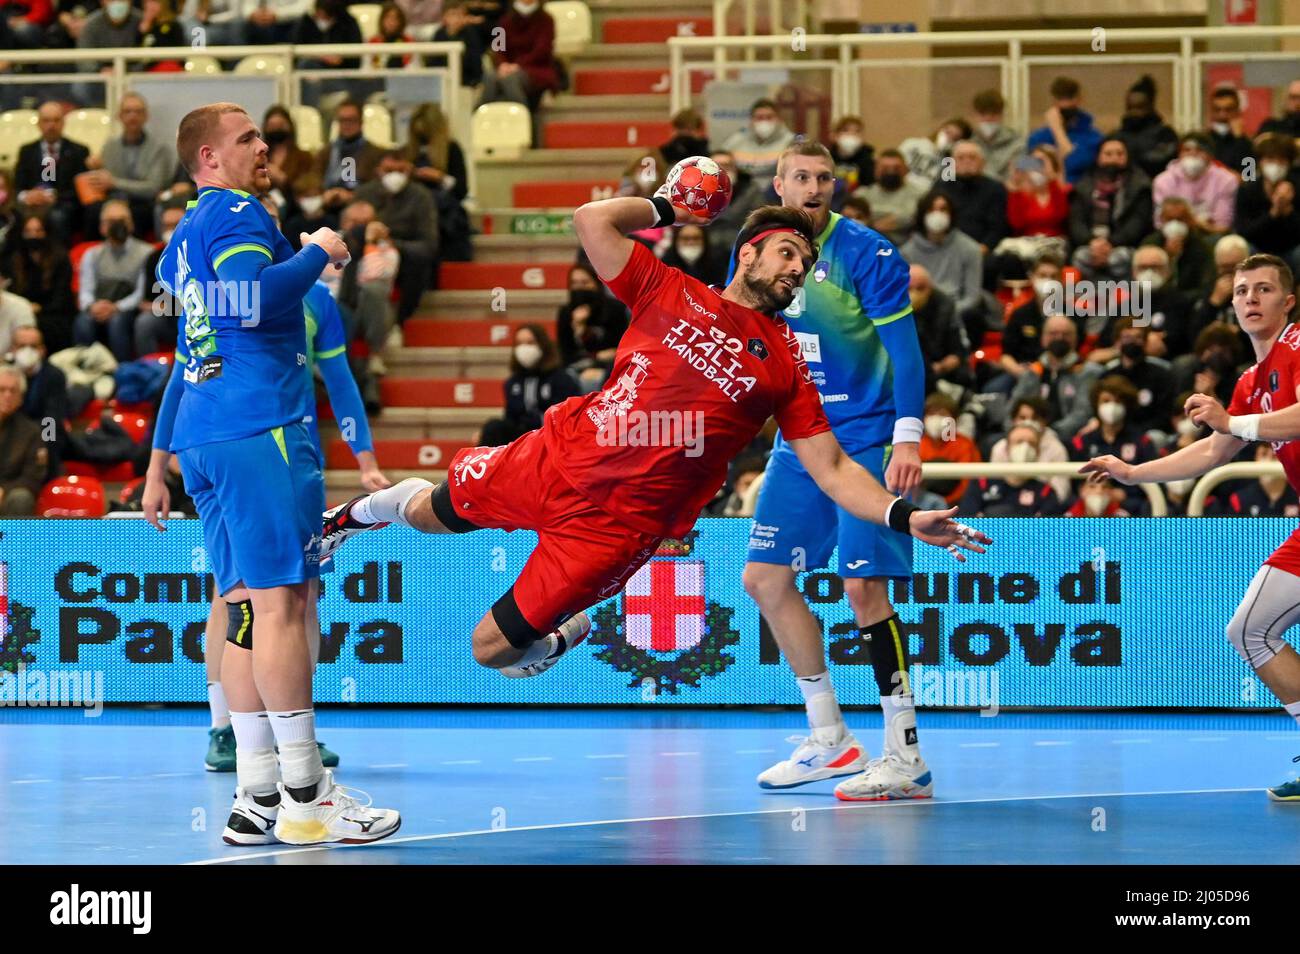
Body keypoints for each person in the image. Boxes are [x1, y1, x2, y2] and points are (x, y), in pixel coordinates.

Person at [318, 195, 987, 764]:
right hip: (556, 457)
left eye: (806, 263)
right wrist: (670, 206)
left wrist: (903, 514)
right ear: (747, 254)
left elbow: (835, 470)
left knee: (489, 650)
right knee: (432, 511)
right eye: (787, 253)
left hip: (616, 530)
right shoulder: (669, 289)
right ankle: (345, 521)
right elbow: (590, 220)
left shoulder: (784, 366)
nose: (798, 268)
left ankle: (563, 635)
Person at [142, 101, 399, 845]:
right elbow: (256, 303)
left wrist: (163, 458)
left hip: (207, 438)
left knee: (249, 609)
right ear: (208, 161)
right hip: (262, 429)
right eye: (246, 137)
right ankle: (307, 795)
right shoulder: (236, 214)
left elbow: (193, 357)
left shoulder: (181, 242)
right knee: (285, 606)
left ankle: (255, 794)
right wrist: (318, 249)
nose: (264, 145)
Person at [733, 143, 930, 800]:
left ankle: (904, 756)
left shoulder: (866, 254)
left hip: (868, 437)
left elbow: (906, 353)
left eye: (824, 178)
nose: (814, 188)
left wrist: (908, 437)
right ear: (780, 185)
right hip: (801, 438)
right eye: (801, 178)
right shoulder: (761, 255)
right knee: (764, 578)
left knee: (863, 592)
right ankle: (831, 738)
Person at [1081, 253, 1300, 800]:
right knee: (1248, 630)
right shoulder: (1252, 379)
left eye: (1264, 289)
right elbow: (1215, 450)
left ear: (1288, 301)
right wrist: (1134, 473)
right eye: (1242, 290)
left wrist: (1235, 420)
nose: (1251, 298)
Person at [205, 196, 390, 773]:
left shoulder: (314, 302)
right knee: (234, 593)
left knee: (303, 591)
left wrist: (365, 459)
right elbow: (191, 371)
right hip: (244, 444)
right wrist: (161, 460)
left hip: (296, 454)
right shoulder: (222, 297)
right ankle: (224, 730)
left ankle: (294, 729)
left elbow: (340, 380)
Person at [354, 151, 438, 323]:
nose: (395, 175)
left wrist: (395, 245)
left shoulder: (421, 196)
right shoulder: (364, 193)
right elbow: (349, 231)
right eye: (389, 170)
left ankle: (401, 321)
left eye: (401, 170)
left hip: (404, 252)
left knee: (419, 262)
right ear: (378, 171)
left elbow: (429, 244)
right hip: (369, 249)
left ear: (410, 171)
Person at [83, 93, 175, 239]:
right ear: (119, 116)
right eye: (127, 112)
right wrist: (94, 169)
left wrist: (114, 183)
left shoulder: (159, 148)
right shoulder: (110, 146)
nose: (133, 116)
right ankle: (92, 255)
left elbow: (153, 187)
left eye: (138, 112)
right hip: (113, 200)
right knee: (92, 210)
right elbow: (105, 180)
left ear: (146, 116)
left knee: (135, 214)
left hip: (142, 203)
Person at [73, 200, 154, 362]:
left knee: (117, 322)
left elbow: (140, 293)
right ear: (102, 227)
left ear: (131, 225)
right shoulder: (92, 254)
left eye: (122, 220)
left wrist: (116, 307)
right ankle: (85, 368)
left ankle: (122, 371)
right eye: (111, 221)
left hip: (129, 309)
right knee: (83, 321)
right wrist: (92, 306)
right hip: (99, 305)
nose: (117, 225)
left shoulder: (146, 253)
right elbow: (86, 291)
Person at [1069, 373, 1161, 512]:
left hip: (1130, 510)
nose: (1111, 406)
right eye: (1105, 401)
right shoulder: (1082, 442)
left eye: (1118, 401)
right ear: (1096, 405)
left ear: (1126, 405)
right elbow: (1073, 485)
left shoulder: (1142, 442)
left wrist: (1124, 495)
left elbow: (1153, 484)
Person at [1067, 136, 1153, 282]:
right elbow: (1076, 222)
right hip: (1089, 244)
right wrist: (1092, 242)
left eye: (1120, 154)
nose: (1114, 158)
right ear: (1098, 158)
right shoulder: (1083, 185)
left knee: (1118, 259)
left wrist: (1110, 243)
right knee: (1081, 257)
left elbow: (1137, 223)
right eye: (1108, 154)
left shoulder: (1140, 185)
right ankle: (1087, 301)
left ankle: (1122, 301)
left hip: (1124, 245)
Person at [900, 191, 985, 337]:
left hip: (957, 309)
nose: (937, 215)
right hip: (921, 310)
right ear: (922, 214)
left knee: (974, 316)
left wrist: (947, 312)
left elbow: (972, 297)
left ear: (951, 214)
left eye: (943, 209)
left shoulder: (971, 249)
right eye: (931, 210)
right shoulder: (906, 252)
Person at [478, 324, 579, 446]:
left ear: (542, 345)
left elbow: (568, 418)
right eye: (520, 343)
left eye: (530, 343)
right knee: (493, 428)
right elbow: (510, 419)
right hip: (523, 439)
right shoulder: (512, 383)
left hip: (552, 437)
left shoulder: (561, 379)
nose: (524, 348)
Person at [1011, 314, 1102, 442]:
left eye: (1066, 334)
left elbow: (1082, 414)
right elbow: (1013, 408)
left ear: (1075, 339)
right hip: (1030, 434)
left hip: (1069, 436)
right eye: (1053, 334)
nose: (1059, 338)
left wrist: (1050, 433)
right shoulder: (1032, 373)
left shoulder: (1087, 372)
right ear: (1043, 338)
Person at [403, 102, 471, 262]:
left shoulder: (452, 149)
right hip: (413, 206)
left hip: (442, 207)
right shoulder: (407, 152)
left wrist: (440, 178)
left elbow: (461, 190)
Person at [14, 102, 90, 242]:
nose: (51, 125)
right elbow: (18, 186)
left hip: (63, 204)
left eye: (56, 120)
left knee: (57, 216)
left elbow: (79, 190)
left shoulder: (79, 151)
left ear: (63, 123)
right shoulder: (26, 151)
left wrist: (53, 196)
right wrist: (27, 195)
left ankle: (58, 260)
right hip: (31, 204)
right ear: (39, 124)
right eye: (46, 121)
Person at [1, 213, 76, 354]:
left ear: (46, 232)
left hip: (54, 313)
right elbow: (10, 293)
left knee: (45, 327)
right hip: (21, 310)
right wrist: (24, 306)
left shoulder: (60, 259)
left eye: (38, 231)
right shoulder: (13, 259)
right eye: (28, 232)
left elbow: (62, 297)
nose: (33, 236)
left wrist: (39, 308)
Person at [1090, 318, 1176, 435]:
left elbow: (1164, 417)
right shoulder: (1107, 376)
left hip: (1146, 434)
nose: (1132, 342)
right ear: (1117, 342)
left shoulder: (1161, 375)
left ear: (1145, 342)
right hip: (1114, 433)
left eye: (1138, 338)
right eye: (1127, 337)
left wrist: (1135, 434)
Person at [960, 421, 1064, 516]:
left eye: (1032, 444)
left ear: (1038, 452)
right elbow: (965, 524)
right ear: (1007, 449)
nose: (1025, 448)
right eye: (1019, 442)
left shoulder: (1045, 493)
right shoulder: (981, 485)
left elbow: (1047, 532)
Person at [555, 262, 627, 390]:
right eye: (574, 283)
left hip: (611, 366)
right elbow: (565, 352)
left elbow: (620, 348)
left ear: (596, 284)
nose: (579, 288)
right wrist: (578, 328)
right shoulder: (566, 313)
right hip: (576, 366)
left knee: (590, 382)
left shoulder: (615, 309)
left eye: (585, 283)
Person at [1233, 134, 1300, 269]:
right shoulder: (1248, 189)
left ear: (1289, 164)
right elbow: (1244, 231)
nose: (1276, 165)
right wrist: (1273, 213)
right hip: (1257, 247)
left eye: (1281, 160)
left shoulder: (1298, 187)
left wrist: (1287, 210)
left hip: (1291, 249)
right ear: (1261, 162)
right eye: (1270, 159)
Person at [1151, 132, 1238, 235]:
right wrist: (1199, 222)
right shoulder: (1163, 181)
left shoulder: (1226, 180)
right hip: (1172, 234)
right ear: (1179, 154)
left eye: (1199, 150)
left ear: (1210, 156)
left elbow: (1222, 226)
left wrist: (1188, 221)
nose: (1193, 155)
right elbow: (1160, 223)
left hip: (1211, 236)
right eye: (1187, 150)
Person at [987, 396, 1072, 500]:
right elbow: (993, 487)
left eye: (1035, 418)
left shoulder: (1057, 450)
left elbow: (1060, 493)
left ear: (1044, 422)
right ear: (1014, 420)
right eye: (1022, 418)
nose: (1028, 423)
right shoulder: (1000, 447)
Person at [932, 139, 1008, 254]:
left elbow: (997, 228)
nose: (967, 161)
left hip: (982, 251)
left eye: (972, 158)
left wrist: (982, 249)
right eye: (961, 158)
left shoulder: (995, 189)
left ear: (983, 163)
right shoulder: (941, 187)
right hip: (943, 248)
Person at [479, 0, 559, 110]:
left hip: (535, 69)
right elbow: (498, 49)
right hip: (507, 68)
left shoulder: (546, 20)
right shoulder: (504, 21)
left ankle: (524, 119)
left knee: (510, 80)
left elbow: (542, 50)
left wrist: (517, 65)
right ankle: (482, 119)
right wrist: (503, 64)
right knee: (490, 77)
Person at [1026, 75, 1104, 184]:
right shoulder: (1037, 138)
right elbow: (1029, 169)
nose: (1065, 104)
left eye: (1069, 98)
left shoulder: (1094, 138)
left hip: (1078, 194)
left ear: (1079, 99)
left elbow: (1074, 164)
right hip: (1047, 194)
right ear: (1054, 101)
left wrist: (1058, 130)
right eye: (1060, 99)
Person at [908, 263, 970, 393]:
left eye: (920, 288)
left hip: (941, 366)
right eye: (908, 289)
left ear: (930, 288)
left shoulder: (945, 307)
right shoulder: (891, 307)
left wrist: (941, 366)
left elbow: (958, 350)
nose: (914, 294)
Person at [315, 100, 385, 213]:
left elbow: (378, 187)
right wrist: (324, 195)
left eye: (351, 120)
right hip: (328, 206)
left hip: (362, 208)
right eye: (342, 120)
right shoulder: (325, 153)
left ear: (361, 122)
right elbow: (314, 179)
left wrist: (353, 196)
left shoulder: (375, 153)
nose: (347, 124)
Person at [1138, 197, 1213, 299]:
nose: (1175, 224)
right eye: (1170, 219)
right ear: (1161, 219)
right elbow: (1142, 282)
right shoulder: (1150, 244)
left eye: (1180, 219)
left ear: (1189, 220)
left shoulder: (1201, 247)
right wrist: (1168, 257)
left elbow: (1205, 286)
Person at [1110, 75, 1179, 181]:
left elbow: (1162, 159)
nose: (1134, 112)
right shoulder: (1116, 135)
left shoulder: (1165, 134)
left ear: (1150, 106)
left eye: (1139, 107)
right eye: (1130, 107)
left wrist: (1132, 159)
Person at [855, 149, 926, 246]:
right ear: (876, 170)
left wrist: (872, 222)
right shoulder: (862, 195)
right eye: (885, 168)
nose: (891, 172)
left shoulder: (920, 195)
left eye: (896, 168)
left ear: (906, 170)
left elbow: (911, 218)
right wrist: (899, 219)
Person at [0, 363, 45, 516]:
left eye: (13, 391)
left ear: (20, 398)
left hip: (8, 498)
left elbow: (33, 478)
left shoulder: (31, 432)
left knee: (21, 497)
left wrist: (3, 491)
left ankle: (13, 540)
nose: (7, 395)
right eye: (1, 390)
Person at [720, 99, 796, 181]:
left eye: (769, 117)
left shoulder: (791, 142)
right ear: (751, 121)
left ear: (779, 119)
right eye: (759, 118)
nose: (764, 121)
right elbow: (719, 163)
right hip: (743, 190)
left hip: (777, 190)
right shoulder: (736, 141)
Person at [707, 150, 764, 252]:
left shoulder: (752, 192)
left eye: (726, 166)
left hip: (741, 248)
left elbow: (760, 224)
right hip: (707, 250)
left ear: (735, 169)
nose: (722, 171)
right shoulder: (698, 194)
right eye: (716, 166)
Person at [261, 106, 316, 203]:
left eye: (280, 125)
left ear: (290, 126)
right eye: (272, 126)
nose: (276, 129)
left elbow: (310, 189)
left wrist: (283, 180)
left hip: (295, 210)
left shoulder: (304, 157)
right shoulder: (260, 156)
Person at [898, 118, 969, 192]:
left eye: (955, 138)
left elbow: (947, 188)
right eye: (948, 132)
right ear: (941, 129)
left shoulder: (949, 161)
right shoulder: (912, 144)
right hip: (903, 190)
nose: (948, 138)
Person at [970, 88, 1024, 181]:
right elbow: (947, 177)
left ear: (1002, 115)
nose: (988, 119)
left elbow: (1021, 177)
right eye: (983, 114)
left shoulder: (1018, 144)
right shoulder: (964, 142)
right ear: (975, 115)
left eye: (994, 114)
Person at [292, 0, 363, 70]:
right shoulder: (305, 23)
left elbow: (356, 59)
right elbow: (295, 53)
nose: (321, 19)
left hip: (340, 72)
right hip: (311, 68)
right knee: (306, 65)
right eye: (318, 14)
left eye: (325, 16)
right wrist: (317, 56)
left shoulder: (348, 23)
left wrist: (340, 60)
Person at [429, 1, 485, 88]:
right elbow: (433, 63)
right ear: (444, 17)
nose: (457, 18)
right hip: (442, 83)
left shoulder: (470, 33)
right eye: (453, 14)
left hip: (466, 82)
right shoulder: (439, 35)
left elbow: (476, 63)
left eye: (461, 14)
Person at [661, 223, 726, 287]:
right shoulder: (665, 265)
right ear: (676, 241)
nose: (691, 242)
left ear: (704, 241)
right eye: (685, 238)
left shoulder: (717, 262)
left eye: (696, 238)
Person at [1207, 86, 1254, 174]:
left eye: (1228, 110)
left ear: (1237, 111)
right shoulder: (1205, 141)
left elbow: (1249, 174)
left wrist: (1239, 139)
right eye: (1217, 110)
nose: (1222, 115)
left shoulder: (1246, 143)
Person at [827, 115, 874, 199]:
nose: (851, 134)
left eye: (857, 131)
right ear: (835, 136)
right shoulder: (827, 158)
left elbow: (870, 185)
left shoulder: (868, 159)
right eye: (845, 130)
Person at [368, 1, 413, 69]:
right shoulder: (373, 41)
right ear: (382, 19)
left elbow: (412, 67)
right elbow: (370, 67)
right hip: (379, 77)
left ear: (401, 21)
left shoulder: (408, 41)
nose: (391, 22)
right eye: (388, 17)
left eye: (395, 18)